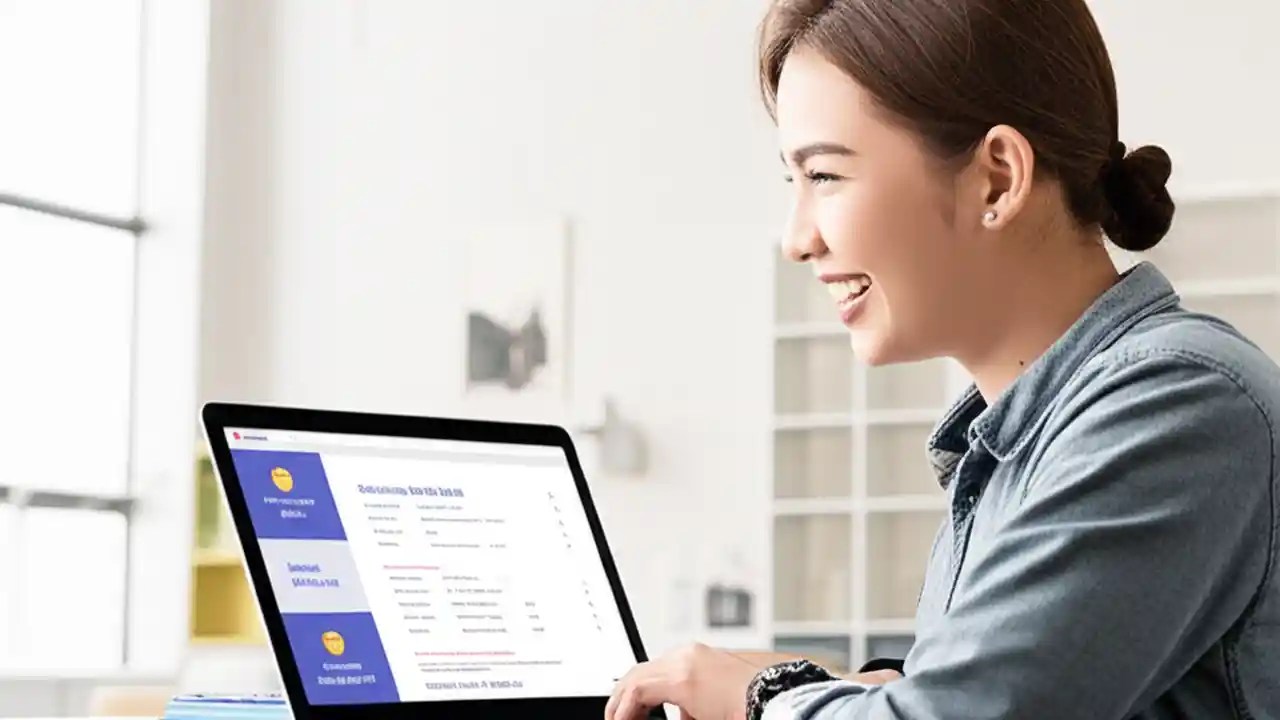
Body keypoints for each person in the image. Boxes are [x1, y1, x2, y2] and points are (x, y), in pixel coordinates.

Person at [605, 0, 1280, 718]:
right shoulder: (1022, 442)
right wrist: (846, 689)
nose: (797, 239)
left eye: (824, 176)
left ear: (997, 179)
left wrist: (760, 698)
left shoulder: (1174, 404)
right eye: (792, 183)